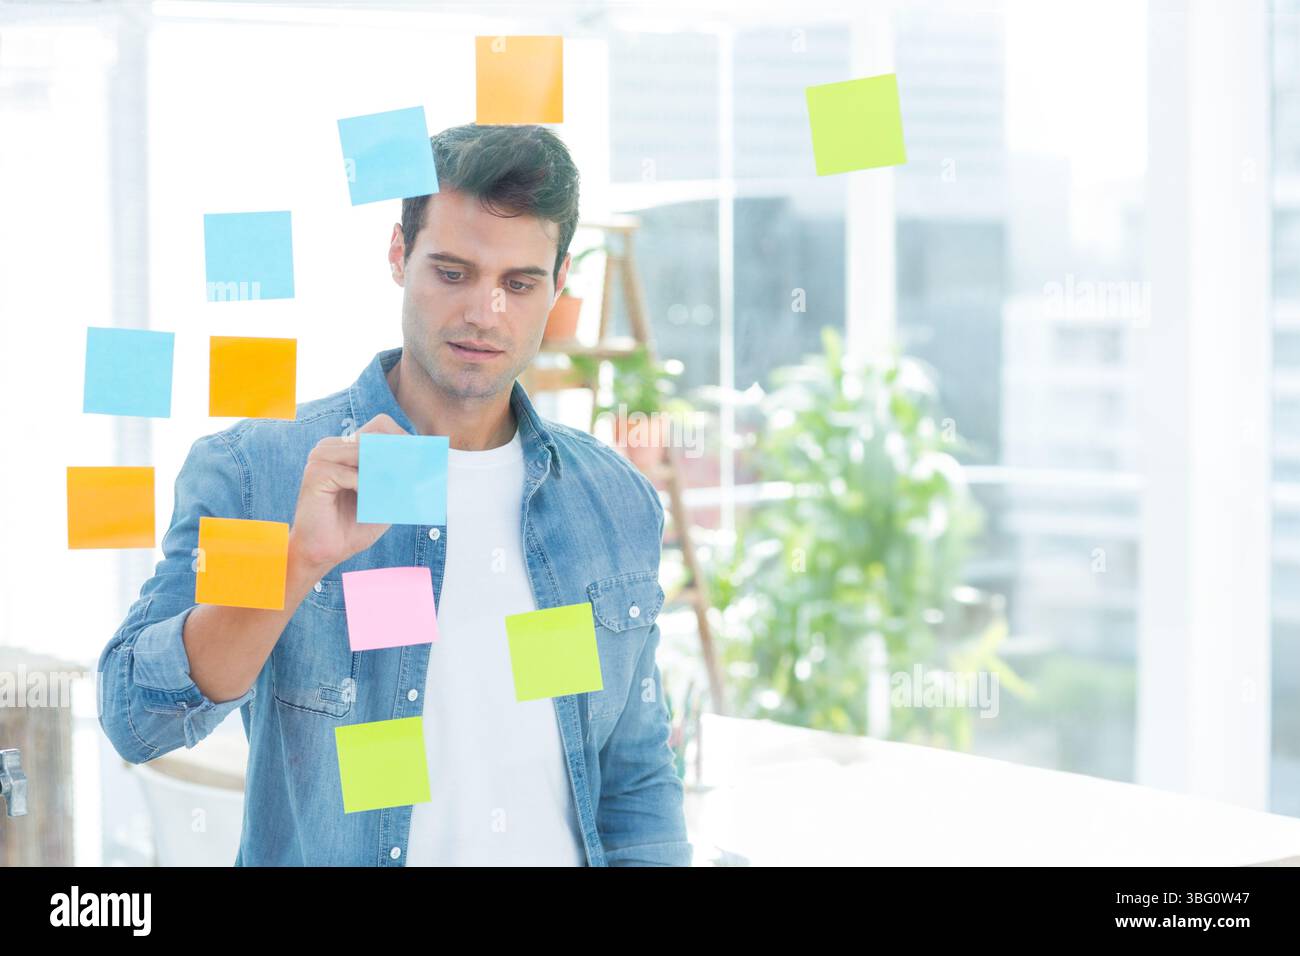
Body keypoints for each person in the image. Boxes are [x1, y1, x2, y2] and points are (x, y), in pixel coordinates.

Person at [97, 123, 692, 867]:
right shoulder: (261, 472)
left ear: (559, 280)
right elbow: (133, 716)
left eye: (518, 282)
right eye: (452, 272)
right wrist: (296, 563)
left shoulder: (610, 502)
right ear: (397, 256)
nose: (485, 312)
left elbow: (634, 776)